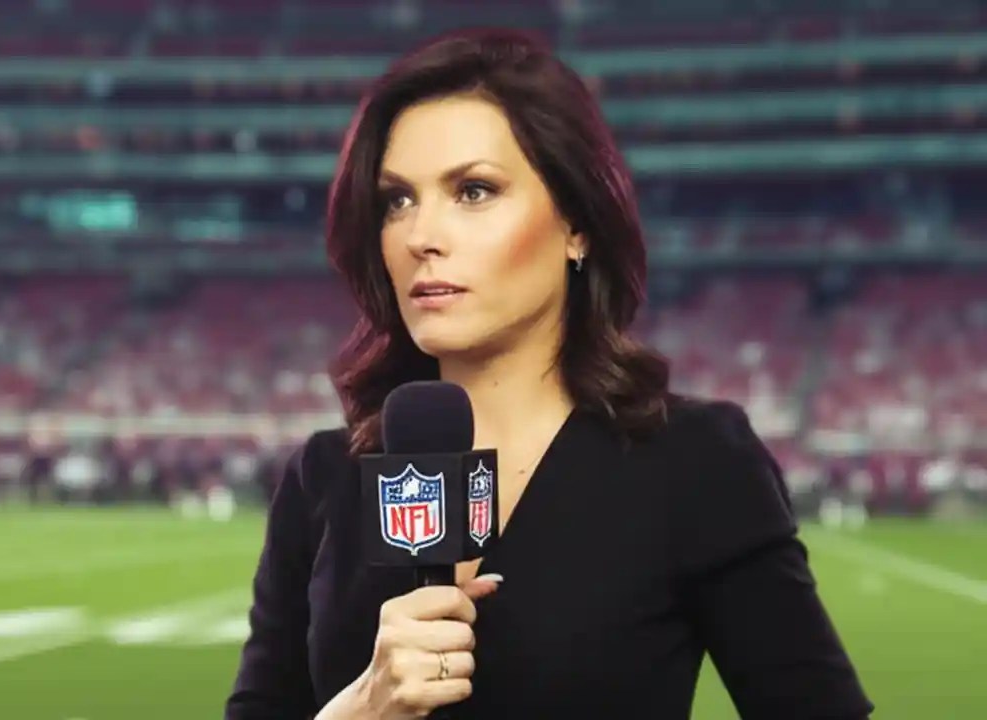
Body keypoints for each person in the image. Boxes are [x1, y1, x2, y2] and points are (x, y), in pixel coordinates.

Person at [226, 28, 873, 719]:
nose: (421, 236)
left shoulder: (692, 461)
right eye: (397, 200)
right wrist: (359, 711)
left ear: (576, 224)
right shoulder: (321, 479)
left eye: (473, 191)